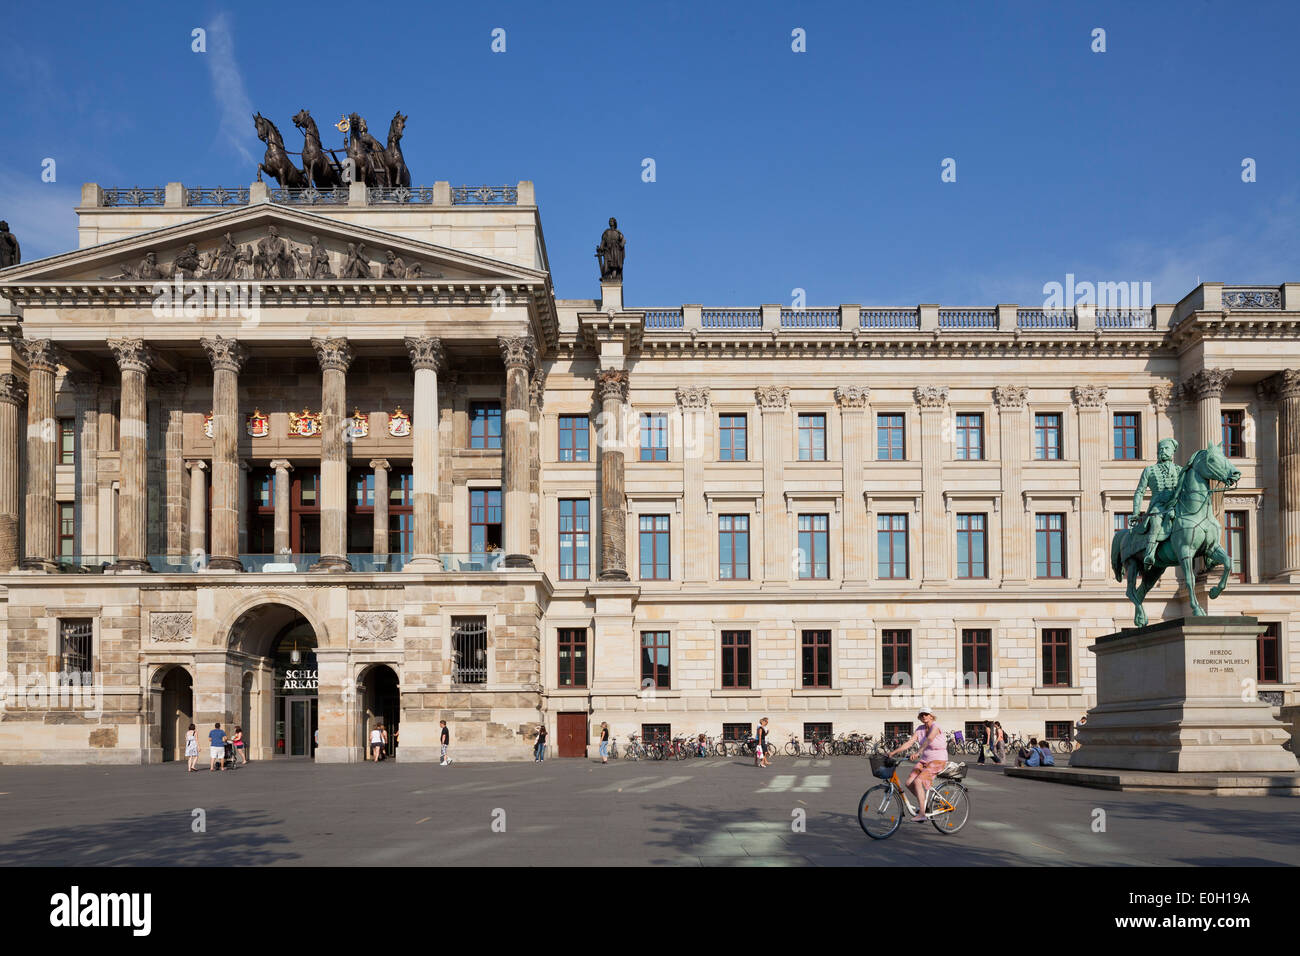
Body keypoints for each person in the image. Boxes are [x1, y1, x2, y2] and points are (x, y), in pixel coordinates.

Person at [889, 709, 947, 822]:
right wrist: (893, 752)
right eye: (922, 715)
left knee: (918, 781)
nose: (924, 716)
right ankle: (924, 804)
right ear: (919, 717)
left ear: (931, 716)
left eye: (926, 714)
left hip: (938, 760)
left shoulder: (936, 726)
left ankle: (922, 813)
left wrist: (919, 752)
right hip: (925, 760)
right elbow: (910, 742)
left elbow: (929, 739)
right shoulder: (920, 729)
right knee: (909, 783)